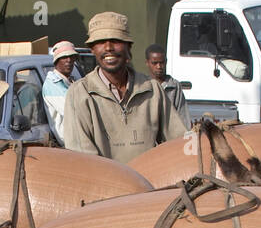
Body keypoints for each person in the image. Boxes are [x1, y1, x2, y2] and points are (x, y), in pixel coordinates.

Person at [63, 11, 188, 163]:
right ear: (92, 50)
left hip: (152, 183)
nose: (108, 47)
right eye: (101, 42)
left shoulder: (152, 90)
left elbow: (179, 142)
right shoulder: (80, 94)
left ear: (128, 48)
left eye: (116, 41)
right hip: (103, 183)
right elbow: (84, 160)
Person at [42, 40, 81, 144]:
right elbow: (72, 111)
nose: (69, 61)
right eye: (64, 57)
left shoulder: (71, 81)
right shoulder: (53, 84)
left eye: (72, 57)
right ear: (56, 61)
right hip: (69, 142)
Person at [144, 43, 190, 125]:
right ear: (147, 63)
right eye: (154, 63)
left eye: (161, 63)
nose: (159, 66)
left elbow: (183, 115)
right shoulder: (142, 86)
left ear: (166, 62)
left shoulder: (174, 86)